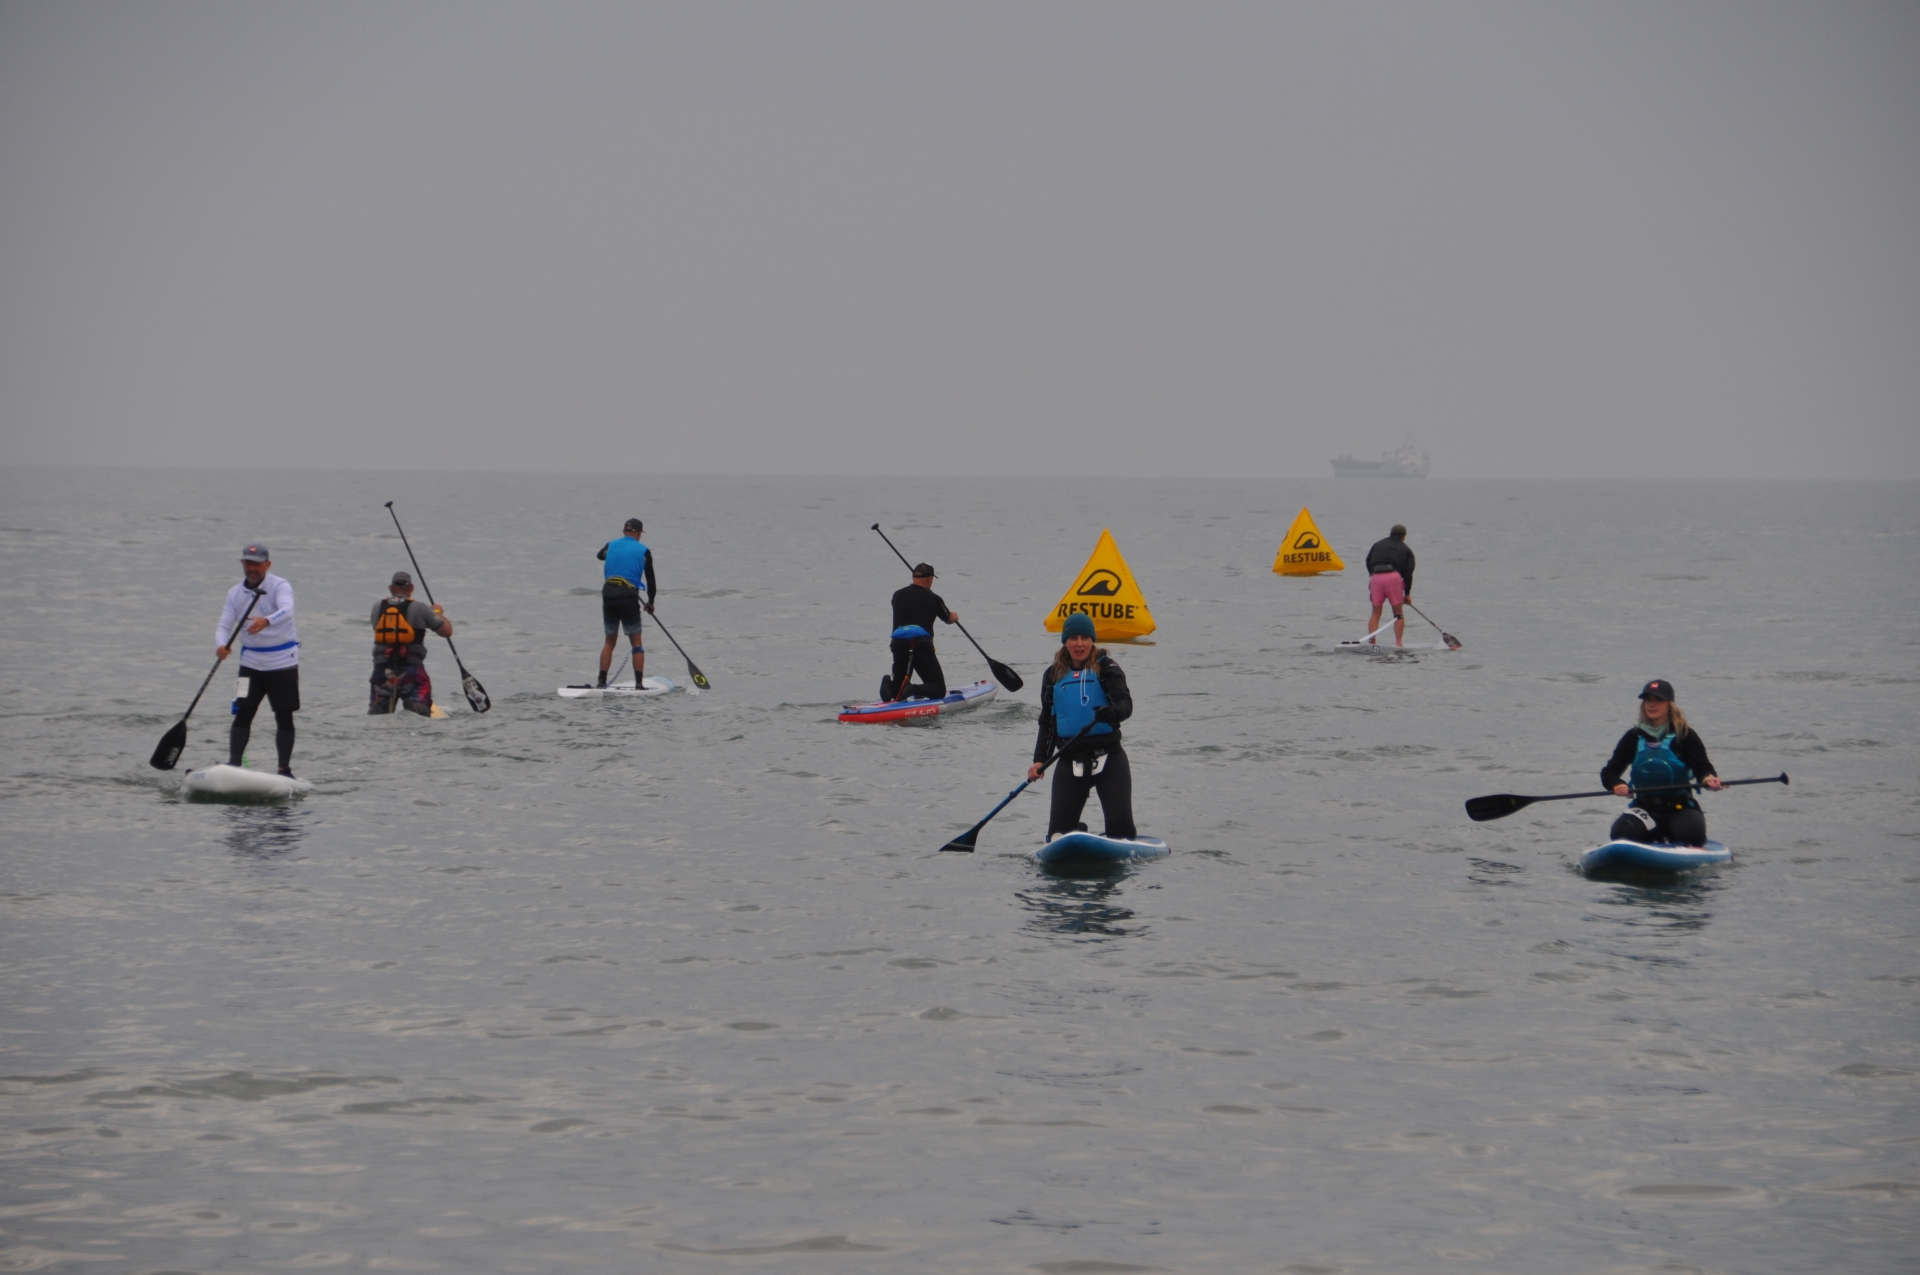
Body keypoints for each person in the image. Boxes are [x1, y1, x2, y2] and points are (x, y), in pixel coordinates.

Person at [1029, 612, 1136, 841]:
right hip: (1070, 759)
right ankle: (1076, 831)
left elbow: (1125, 703)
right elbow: (1047, 720)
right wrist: (1040, 759)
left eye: (1085, 638)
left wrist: (1114, 712)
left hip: (1109, 758)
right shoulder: (1052, 675)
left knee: (1122, 833)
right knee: (1057, 837)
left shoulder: (1107, 667)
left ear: (1092, 640)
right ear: (1065, 642)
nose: (1080, 643)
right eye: (1073, 638)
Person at [1600, 679, 1723, 846]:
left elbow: (1702, 766)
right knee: (1620, 833)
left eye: (1658, 699)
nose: (1652, 704)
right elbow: (1609, 772)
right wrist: (1617, 784)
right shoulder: (1633, 737)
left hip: (1680, 808)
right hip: (1645, 808)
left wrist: (1709, 779)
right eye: (1648, 700)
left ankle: (1676, 839)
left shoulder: (1685, 735)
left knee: (1692, 834)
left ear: (1669, 705)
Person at [216, 543, 300, 776]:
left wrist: (267, 620)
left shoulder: (279, 586)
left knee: (283, 715)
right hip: (250, 662)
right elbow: (224, 625)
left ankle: (284, 769)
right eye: (247, 563)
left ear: (267, 564)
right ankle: (234, 765)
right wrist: (221, 645)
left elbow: (288, 610)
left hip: (282, 660)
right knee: (244, 712)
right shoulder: (235, 593)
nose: (251, 568)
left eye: (256, 564)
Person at [369, 571, 453, 716]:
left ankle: (380, 708)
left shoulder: (377, 607)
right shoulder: (420, 608)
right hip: (411, 670)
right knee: (420, 707)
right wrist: (437, 612)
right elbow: (446, 631)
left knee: (380, 711)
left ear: (391, 588)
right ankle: (414, 706)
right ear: (412, 588)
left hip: (383, 671)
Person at [594, 518, 656, 686]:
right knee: (636, 643)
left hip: (608, 595)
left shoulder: (611, 545)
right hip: (628, 597)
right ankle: (639, 685)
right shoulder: (644, 551)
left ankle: (601, 682)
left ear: (624, 532)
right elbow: (651, 581)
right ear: (638, 533)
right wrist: (650, 602)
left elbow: (600, 556)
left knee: (609, 641)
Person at [883, 563, 957, 701]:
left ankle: (889, 685)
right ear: (929, 579)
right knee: (939, 689)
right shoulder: (934, 598)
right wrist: (954, 616)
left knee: (899, 691)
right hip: (920, 645)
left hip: (897, 644)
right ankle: (914, 689)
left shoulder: (897, 595)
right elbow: (948, 618)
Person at [1365, 523, 1415, 647]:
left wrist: (1372, 574)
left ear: (1391, 534)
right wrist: (1407, 594)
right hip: (1393, 578)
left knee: (1375, 613)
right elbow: (1408, 573)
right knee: (1398, 613)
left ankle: (1372, 643)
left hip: (1376, 577)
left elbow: (1368, 560)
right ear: (1404, 536)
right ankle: (1398, 644)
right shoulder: (1406, 550)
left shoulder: (1377, 544)